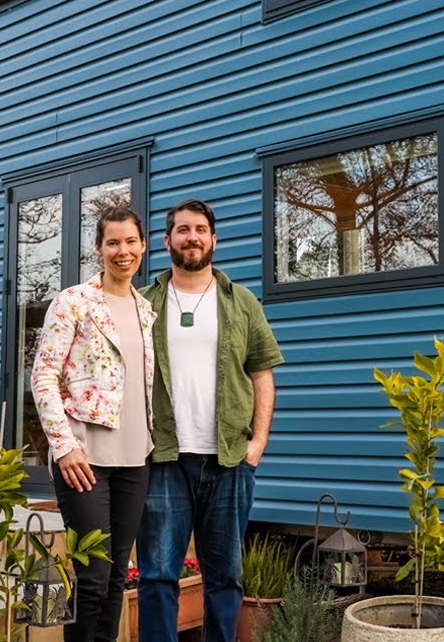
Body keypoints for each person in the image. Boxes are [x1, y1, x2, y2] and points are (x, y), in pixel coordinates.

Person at [136, 199, 284, 642]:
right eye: (182, 230)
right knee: (158, 573)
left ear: (214, 239)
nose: (192, 237)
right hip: (162, 457)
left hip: (229, 458)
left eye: (200, 229)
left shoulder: (241, 302)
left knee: (226, 576)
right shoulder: (143, 304)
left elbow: (263, 374)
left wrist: (258, 443)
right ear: (166, 241)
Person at [30, 206, 156, 642]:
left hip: (136, 458)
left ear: (143, 245)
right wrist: (64, 446)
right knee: (93, 577)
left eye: (131, 242)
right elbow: (43, 374)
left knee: (118, 577)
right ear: (99, 248)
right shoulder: (74, 302)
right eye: (113, 242)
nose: (123, 251)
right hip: (84, 458)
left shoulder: (145, 310)